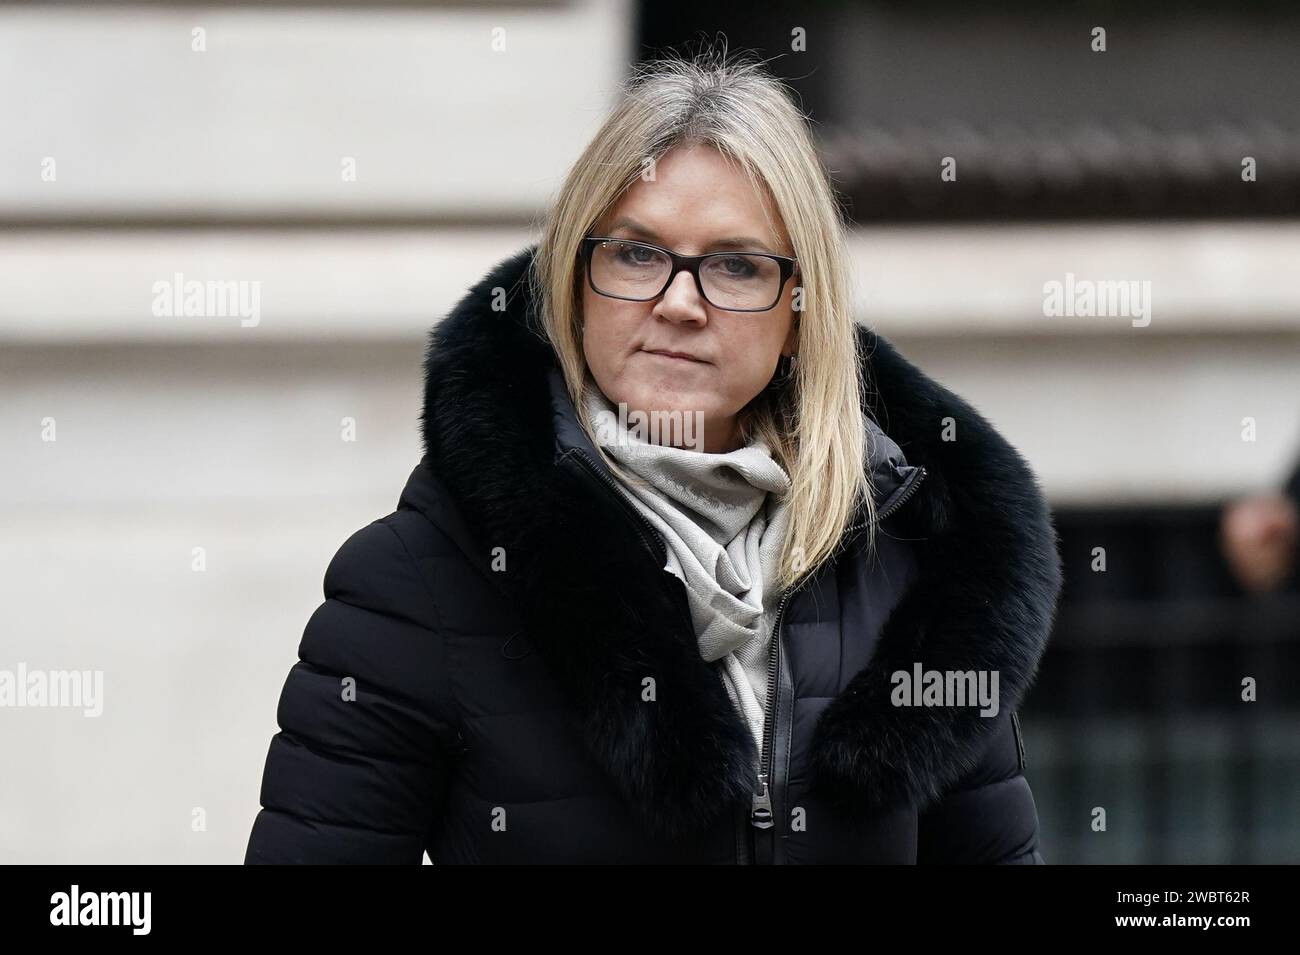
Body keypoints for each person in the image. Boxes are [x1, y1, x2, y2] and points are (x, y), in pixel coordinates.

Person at [244, 48, 1063, 864]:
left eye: (736, 266)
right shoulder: (417, 581)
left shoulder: (911, 562)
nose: (678, 303)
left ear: (800, 314)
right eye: (636, 253)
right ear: (574, 279)